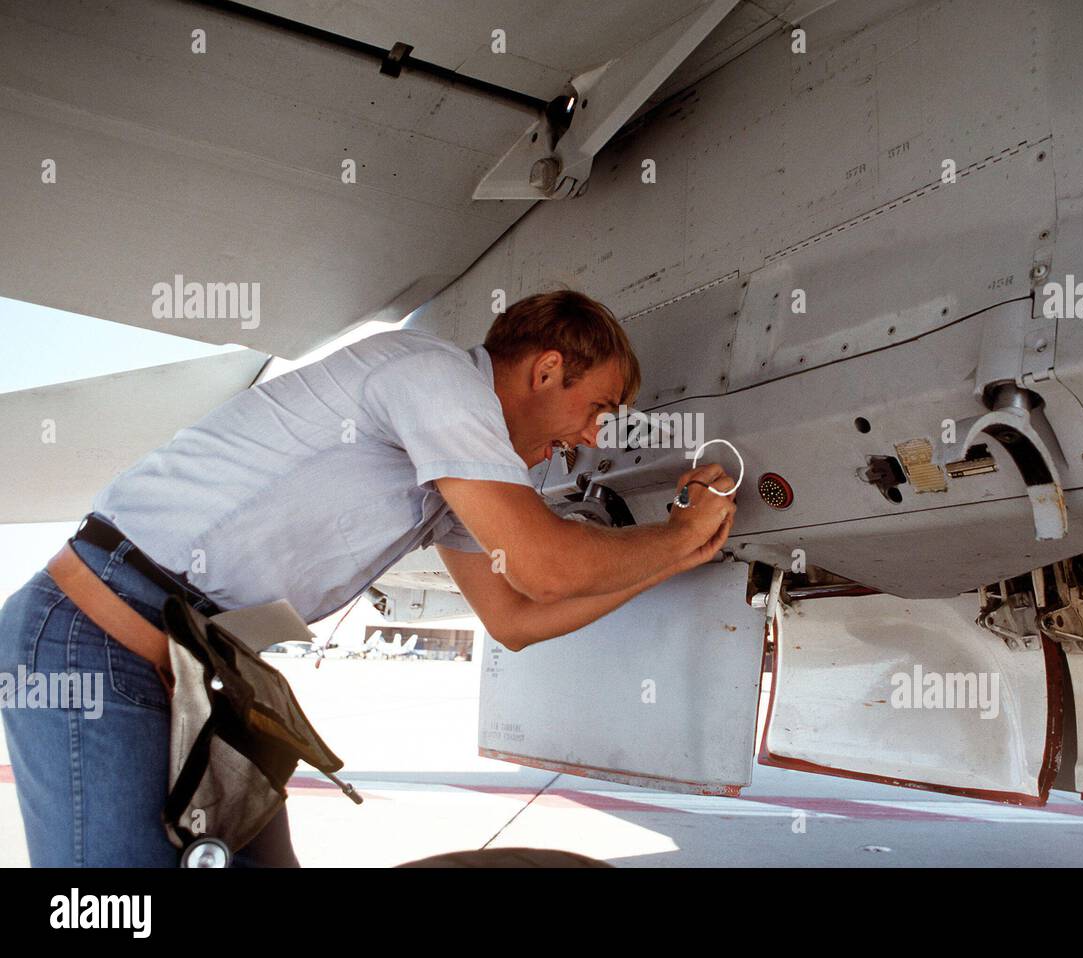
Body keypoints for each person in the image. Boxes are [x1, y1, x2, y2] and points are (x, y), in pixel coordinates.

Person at [0, 290, 736, 867]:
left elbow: (515, 616)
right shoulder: (431, 377)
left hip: (200, 678)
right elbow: (547, 568)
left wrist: (678, 557)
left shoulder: (456, 471)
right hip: (91, 641)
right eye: (597, 409)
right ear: (545, 370)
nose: (590, 439)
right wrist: (674, 534)